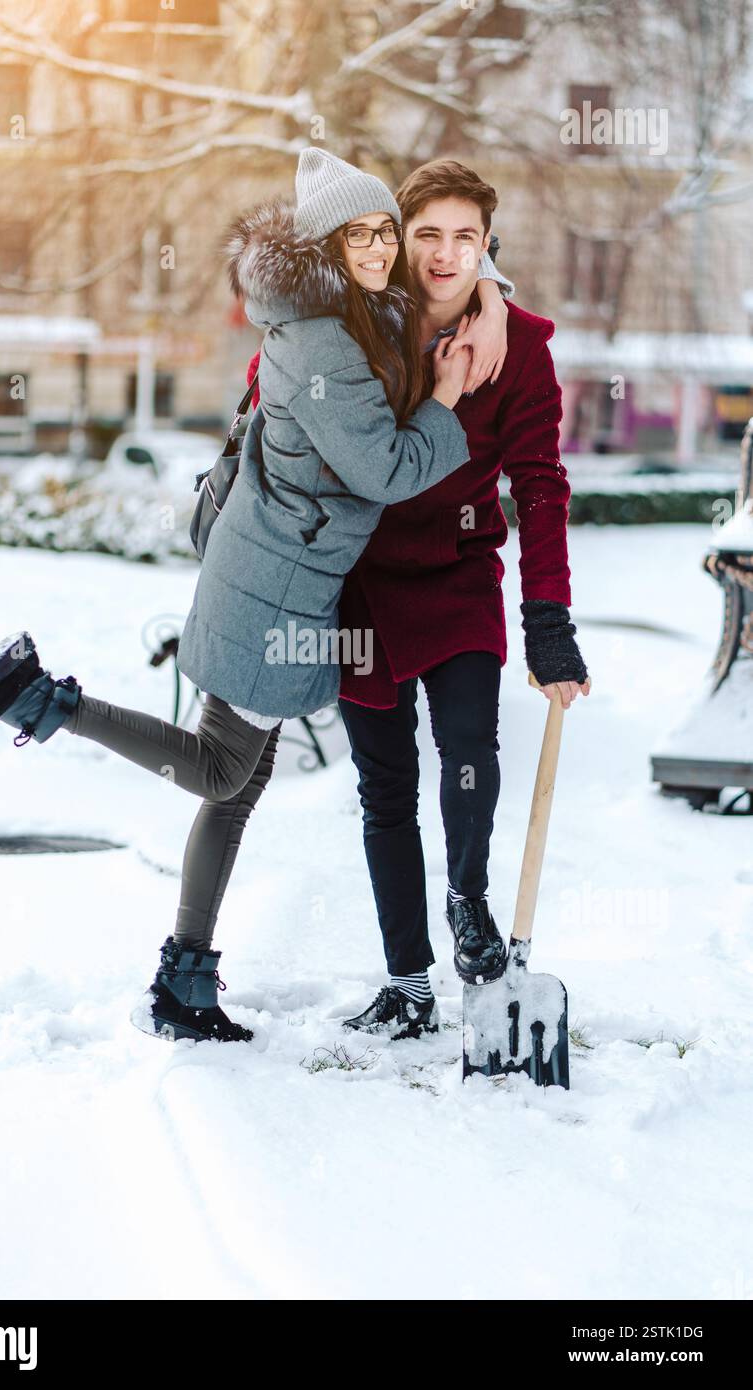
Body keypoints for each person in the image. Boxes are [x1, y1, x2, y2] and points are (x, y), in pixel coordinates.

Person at [0, 148, 481, 1047]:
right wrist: (447, 399)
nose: (381, 248)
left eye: (386, 229)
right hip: (279, 583)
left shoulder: (334, 319)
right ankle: (38, 698)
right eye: (360, 233)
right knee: (225, 769)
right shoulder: (324, 345)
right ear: (325, 246)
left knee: (239, 780)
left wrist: (479, 304)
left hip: (265, 566)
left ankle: (184, 979)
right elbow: (382, 468)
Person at [334, 160, 591, 1041]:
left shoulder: (517, 345)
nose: (445, 255)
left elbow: (541, 483)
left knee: (469, 749)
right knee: (384, 788)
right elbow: (276, 388)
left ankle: (467, 898)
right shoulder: (354, 329)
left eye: (465, 238)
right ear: (402, 240)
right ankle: (407, 983)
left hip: (458, 575)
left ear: (487, 248)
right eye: (428, 234)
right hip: (360, 587)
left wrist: (546, 622)